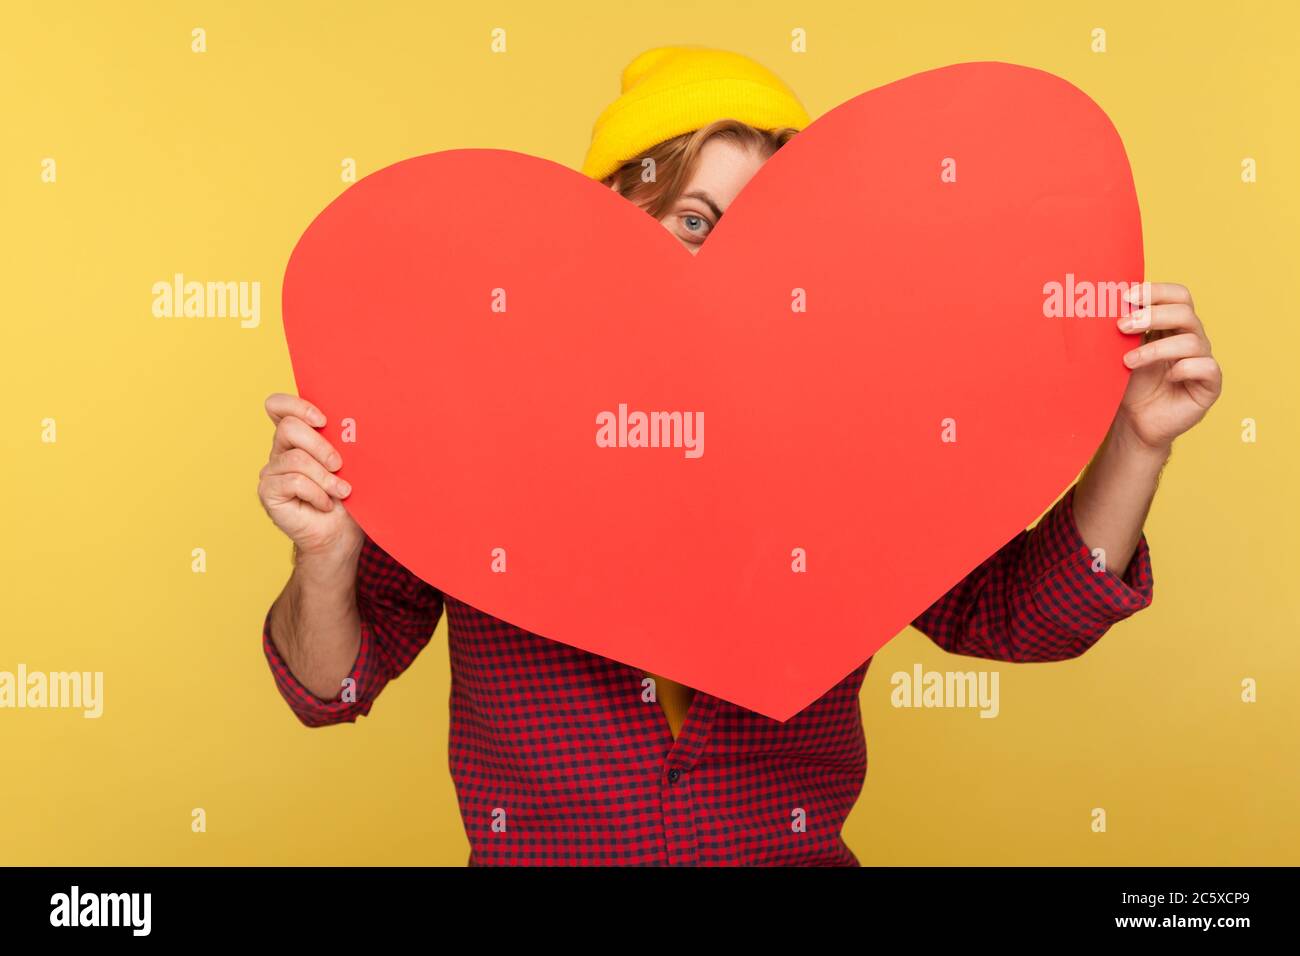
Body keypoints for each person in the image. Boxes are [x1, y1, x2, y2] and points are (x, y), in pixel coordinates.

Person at [256, 47, 1222, 865]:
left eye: (771, 236)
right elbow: (331, 689)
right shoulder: (475, 418)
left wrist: (1137, 439)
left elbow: (1018, 619)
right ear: (601, 232)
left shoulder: (859, 439)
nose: (726, 269)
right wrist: (325, 559)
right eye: (693, 221)